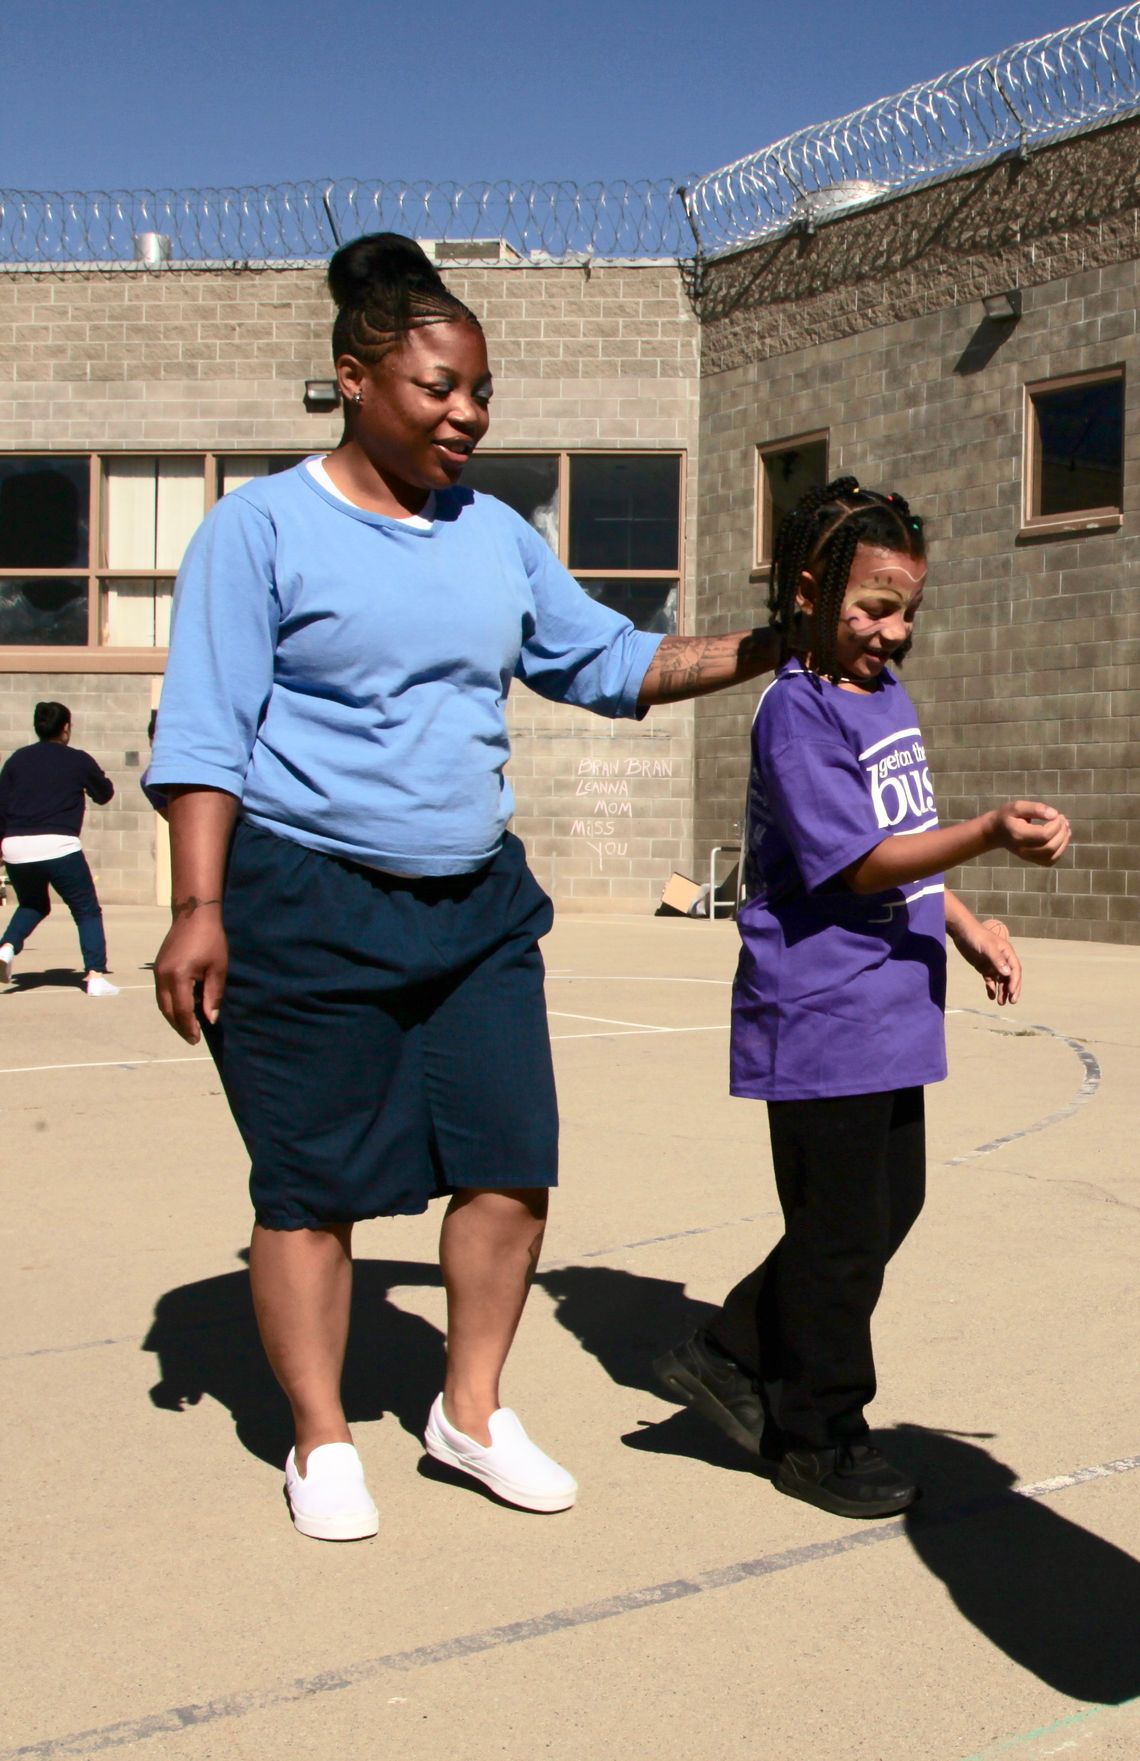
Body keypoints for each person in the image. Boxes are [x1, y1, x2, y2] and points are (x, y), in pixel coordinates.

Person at [145, 232, 786, 1542]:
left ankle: (472, 1410)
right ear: (356, 379)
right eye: (440, 387)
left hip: (476, 905)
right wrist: (198, 908)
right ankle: (321, 1439)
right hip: (302, 899)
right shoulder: (258, 530)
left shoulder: (495, 535)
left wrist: (782, 643)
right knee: (309, 1185)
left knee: (509, 1163)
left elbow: (614, 663)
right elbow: (205, 732)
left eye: (481, 392)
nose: (467, 415)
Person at [653, 478, 1071, 1519]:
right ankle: (819, 1434)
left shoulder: (884, 701)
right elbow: (858, 864)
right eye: (875, 608)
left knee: (881, 1212)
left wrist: (972, 926)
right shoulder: (795, 711)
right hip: (821, 1009)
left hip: (893, 1004)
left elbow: (905, 836)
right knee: (839, 1238)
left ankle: (730, 1350)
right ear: (811, 588)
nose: (894, 631)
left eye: (908, 612)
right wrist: (984, 830)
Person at [0, 701, 119, 996]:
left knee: (33, 903)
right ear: (65, 728)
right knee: (86, 909)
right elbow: (103, 794)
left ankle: (6, 947)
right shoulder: (77, 760)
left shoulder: (16, 760)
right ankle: (95, 976)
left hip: (15, 846)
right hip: (58, 844)